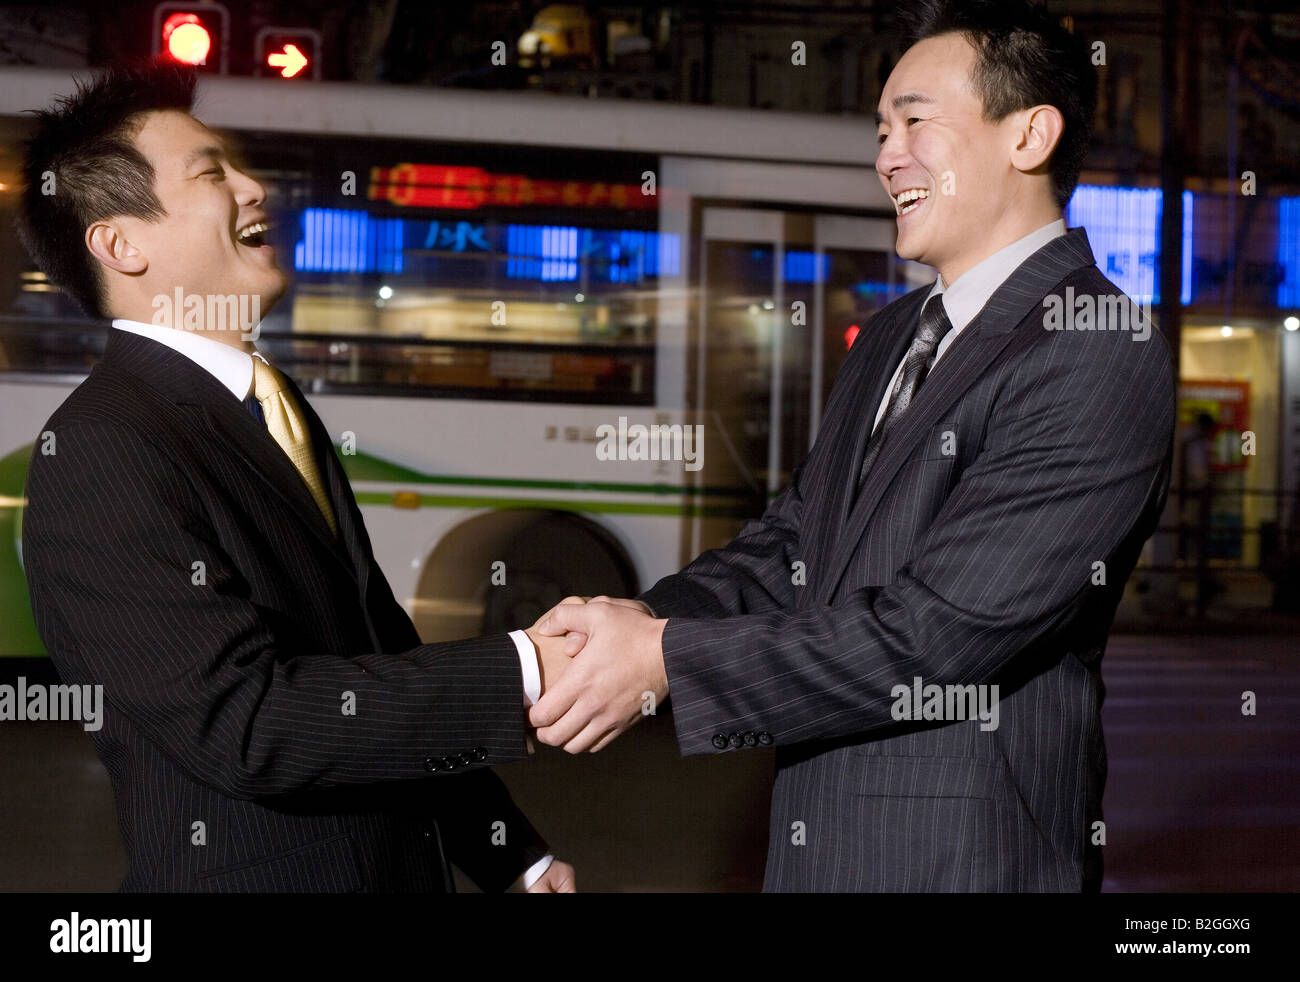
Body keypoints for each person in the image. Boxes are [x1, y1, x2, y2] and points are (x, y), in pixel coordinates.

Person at [530, 0, 1177, 892]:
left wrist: (668, 660)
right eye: (880, 130)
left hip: (963, 866)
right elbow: (796, 545)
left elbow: (941, 634)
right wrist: (638, 625)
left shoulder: (1095, 343)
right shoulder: (892, 335)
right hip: (817, 846)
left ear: (1029, 135)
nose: (886, 156)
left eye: (916, 121)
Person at [16, 62, 575, 892]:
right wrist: (525, 669)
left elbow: (375, 652)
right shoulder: (104, 450)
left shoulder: (272, 405)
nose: (252, 187)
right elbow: (246, 724)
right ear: (121, 243)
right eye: (211, 173)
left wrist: (510, 854)